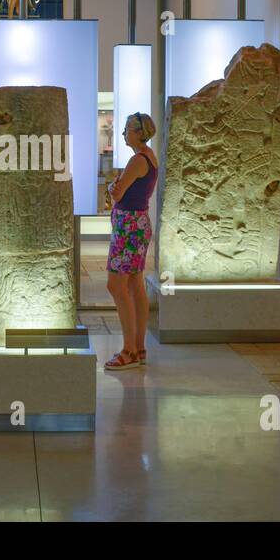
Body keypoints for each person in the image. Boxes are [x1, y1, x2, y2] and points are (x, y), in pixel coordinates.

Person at [104, 112, 158, 370]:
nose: (124, 133)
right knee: (135, 283)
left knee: (116, 284)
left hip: (129, 226)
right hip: (137, 224)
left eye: (127, 129)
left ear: (139, 132)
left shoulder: (138, 160)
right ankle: (139, 347)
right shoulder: (148, 157)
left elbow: (117, 193)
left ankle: (129, 349)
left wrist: (112, 187)